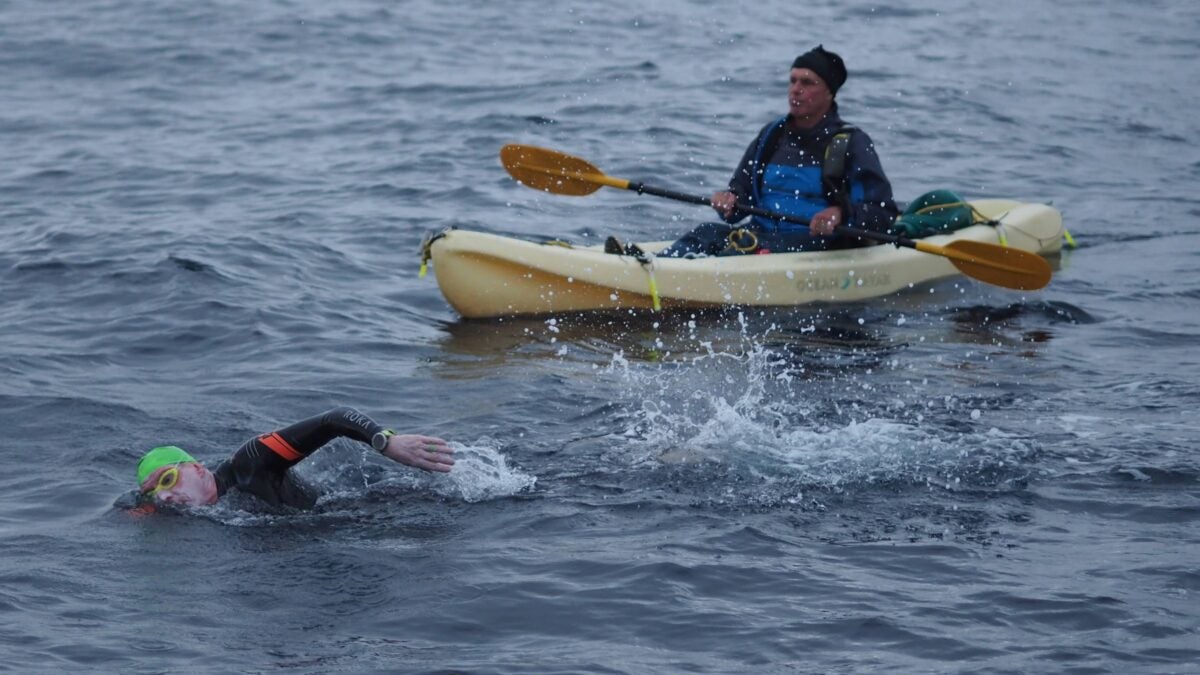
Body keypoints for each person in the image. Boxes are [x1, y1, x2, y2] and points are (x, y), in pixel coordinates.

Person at [656, 45, 899, 257]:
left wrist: (839, 214)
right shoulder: (771, 135)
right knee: (705, 233)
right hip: (760, 236)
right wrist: (729, 200)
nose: (795, 89)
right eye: (792, 80)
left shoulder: (851, 142)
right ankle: (652, 265)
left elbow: (882, 214)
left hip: (815, 244)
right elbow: (740, 196)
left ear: (829, 92)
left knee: (743, 250)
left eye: (807, 83)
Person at [125, 406, 454, 512]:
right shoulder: (208, 512)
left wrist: (386, 443)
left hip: (372, 509)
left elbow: (333, 418)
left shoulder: (250, 461)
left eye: (166, 479)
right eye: (153, 493)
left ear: (196, 468)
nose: (165, 496)